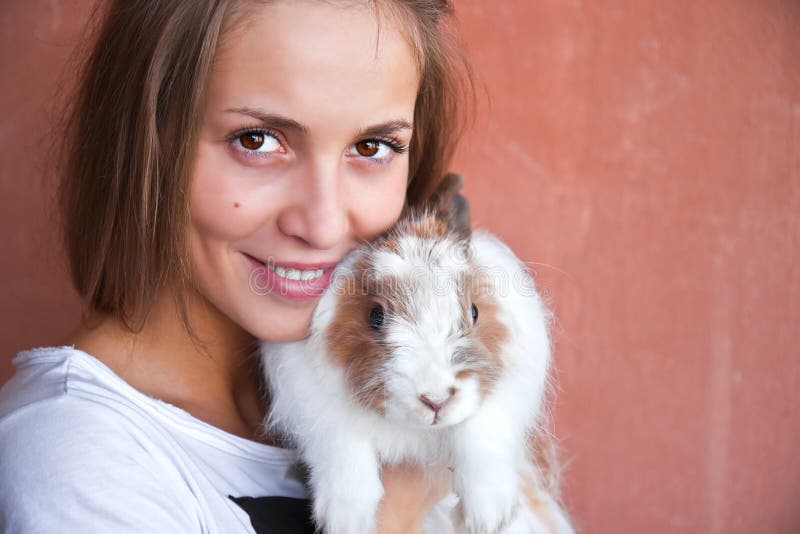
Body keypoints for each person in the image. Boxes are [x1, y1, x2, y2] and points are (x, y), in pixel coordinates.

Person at [0, 0, 472, 532]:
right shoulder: (76, 462)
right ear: (147, 140)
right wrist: (397, 510)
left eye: (373, 146)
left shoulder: (414, 390)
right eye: (257, 140)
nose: (322, 225)